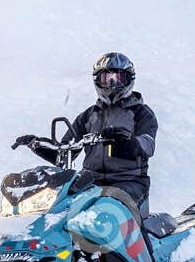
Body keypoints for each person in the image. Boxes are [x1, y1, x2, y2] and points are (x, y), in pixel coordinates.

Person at [17, 52, 158, 218]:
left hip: (128, 181)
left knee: (106, 207)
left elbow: (147, 145)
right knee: (59, 206)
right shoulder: (89, 116)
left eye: (117, 78)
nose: (111, 84)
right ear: (98, 80)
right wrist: (37, 144)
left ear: (128, 79)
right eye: (106, 78)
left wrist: (126, 139)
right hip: (90, 181)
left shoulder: (141, 113)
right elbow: (64, 153)